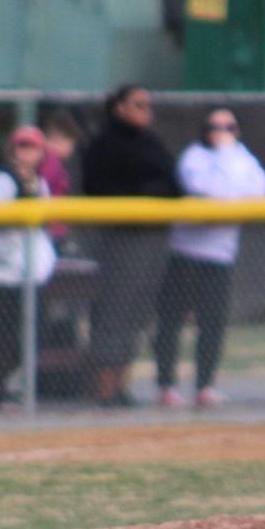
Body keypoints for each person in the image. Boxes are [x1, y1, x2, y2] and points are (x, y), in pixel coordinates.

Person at [153, 107, 265, 408]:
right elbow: (207, 190)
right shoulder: (194, 156)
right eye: (215, 126)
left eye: (228, 127)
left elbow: (261, 188)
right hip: (186, 252)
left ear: (237, 131)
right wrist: (232, 186)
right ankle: (166, 385)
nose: (221, 132)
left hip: (220, 255)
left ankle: (204, 385)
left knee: (213, 322)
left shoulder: (241, 157)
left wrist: (229, 158)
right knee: (171, 320)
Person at [78, 84, 177, 407]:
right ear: (119, 108)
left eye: (148, 105)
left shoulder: (151, 142)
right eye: (138, 105)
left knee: (137, 312)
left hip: (152, 239)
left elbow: (173, 183)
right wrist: (144, 191)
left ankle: (123, 384)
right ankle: (104, 388)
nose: (146, 111)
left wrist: (151, 191)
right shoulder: (105, 143)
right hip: (119, 240)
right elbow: (98, 187)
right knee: (113, 311)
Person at [0, 125, 57, 409]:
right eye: (21, 146)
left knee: (35, 332)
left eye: (32, 147)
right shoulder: (2, 181)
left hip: (31, 274)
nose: (26, 153)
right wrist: (9, 259)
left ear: (42, 153)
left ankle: (12, 385)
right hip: (1, 273)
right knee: (3, 336)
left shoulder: (39, 183)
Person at [39, 108, 80, 246]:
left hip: (51, 227)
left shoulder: (49, 159)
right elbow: (42, 187)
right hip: (50, 228)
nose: (71, 149)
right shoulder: (52, 161)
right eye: (70, 143)